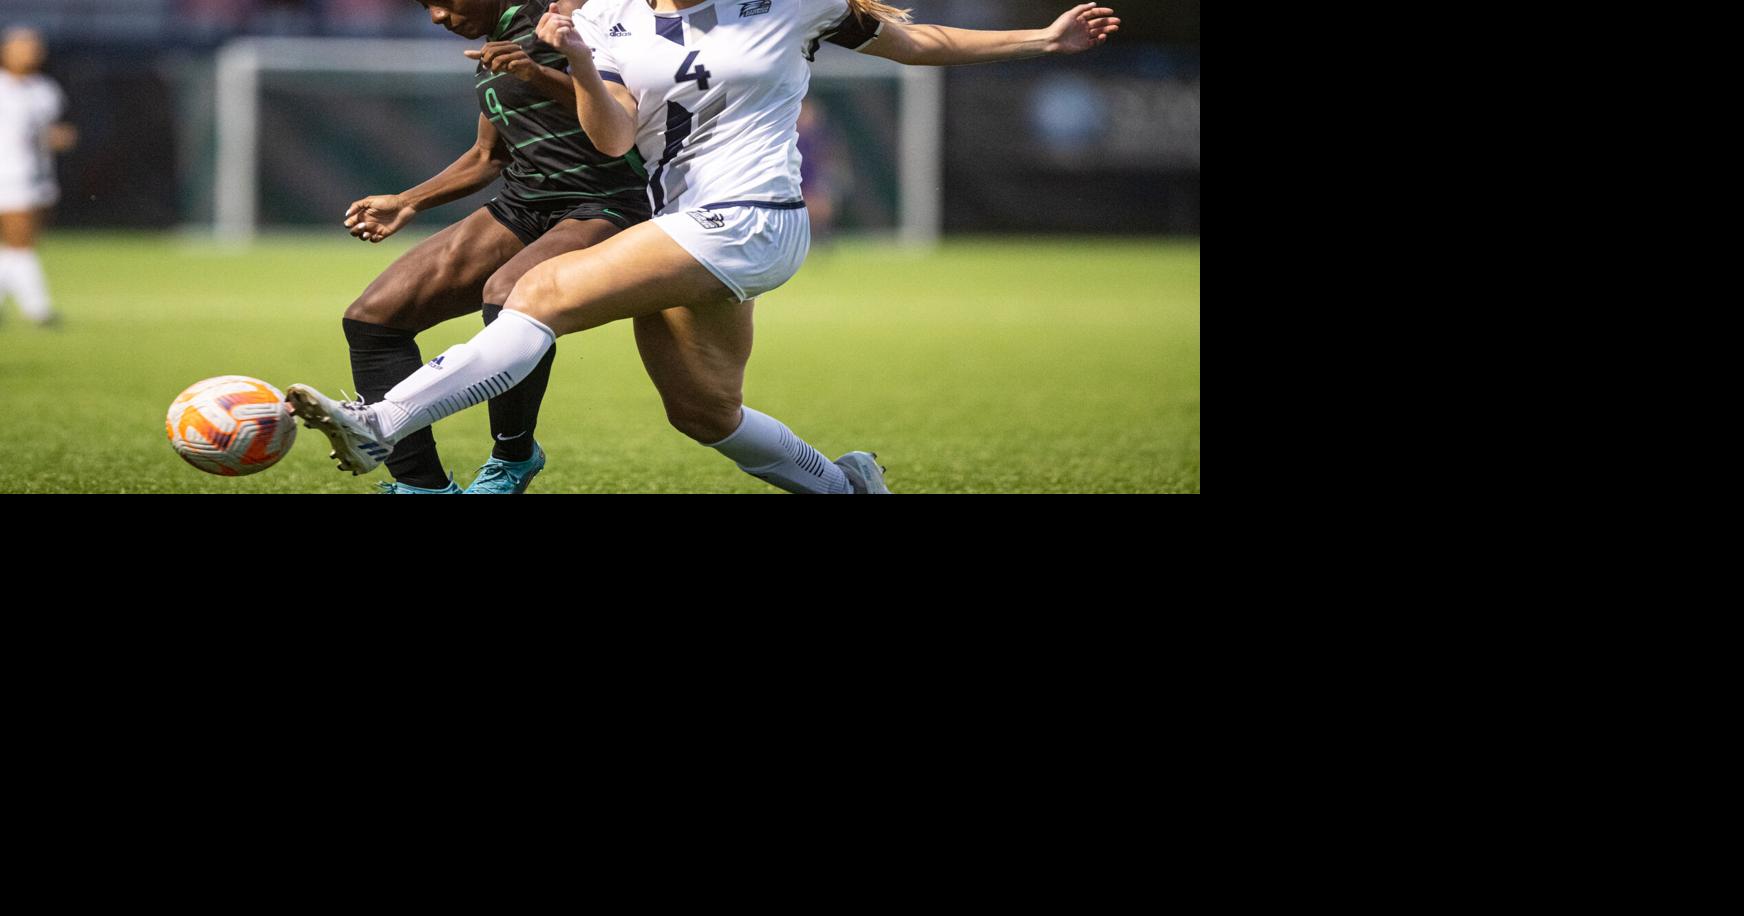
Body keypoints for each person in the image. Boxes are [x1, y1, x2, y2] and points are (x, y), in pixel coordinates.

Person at [288, 0, 1120, 494]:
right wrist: (577, 61)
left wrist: (1042, 40)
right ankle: (843, 485)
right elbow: (612, 140)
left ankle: (381, 423)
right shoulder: (606, 14)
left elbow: (920, 41)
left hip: (754, 216)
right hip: (677, 226)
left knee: (534, 293)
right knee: (703, 413)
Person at [336, 0, 652, 494]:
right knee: (373, 317)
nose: (437, 16)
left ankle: (513, 456)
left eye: (442, 1)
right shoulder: (496, 44)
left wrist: (536, 73)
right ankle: (421, 485)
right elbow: (489, 156)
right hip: (525, 201)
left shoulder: (570, 18)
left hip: (608, 201)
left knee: (509, 295)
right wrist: (407, 202)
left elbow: (627, 116)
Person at [0, 27, 76, 328]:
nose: (30, 52)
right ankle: (38, 308)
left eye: (34, 46)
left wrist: (57, 138)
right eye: (22, 46)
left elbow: (46, 134)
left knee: (15, 244)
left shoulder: (45, 90)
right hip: (7, 174)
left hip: (33, 176)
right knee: (21, 242)